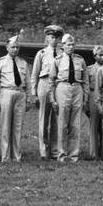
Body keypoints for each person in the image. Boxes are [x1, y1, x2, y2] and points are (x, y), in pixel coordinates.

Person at [0, 35, 28, 162]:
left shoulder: (23, 63)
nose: (15, 49)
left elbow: (28, 82)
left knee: (18, 126)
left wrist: (29, 99)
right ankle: (5, 156)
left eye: (17, 47)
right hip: (6, 92)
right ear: (7, 48)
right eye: (12, 47)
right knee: (6, 126)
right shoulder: (0, 62)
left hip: (20, 93)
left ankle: (17, 156)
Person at [29, 25, 64, 159]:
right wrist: (34, 92)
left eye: (57, 37)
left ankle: (55, 150)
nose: (54, 40)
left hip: (57, 85)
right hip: (44, 83)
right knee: (43, 118)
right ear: (47, 38)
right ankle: (43, 150)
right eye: (52, 37)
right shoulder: (41, 53)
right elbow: (35, 73)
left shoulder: (63, 53)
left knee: (56, 119)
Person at [52, 33, 86, 163]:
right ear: (63, 46)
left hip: (77, 88)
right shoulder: (58, 60)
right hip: (63, 88)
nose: (71, 47)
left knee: (75, 124)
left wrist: (86, 96)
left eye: (72, 44)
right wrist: (52, 99)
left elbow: (86, 80)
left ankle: (73, 155)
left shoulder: (80, 60)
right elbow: (51, 80)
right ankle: (61, 154)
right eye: (68, 44)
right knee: (62, 124)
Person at [86, 43, 103, 161]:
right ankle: (94, 153)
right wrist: (86, 104)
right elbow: (86, 85)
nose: (102, 57)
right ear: (94, 56)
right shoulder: (89, 69)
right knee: (94, 126)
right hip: (93, 95)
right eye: (99, 55)